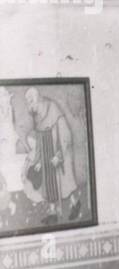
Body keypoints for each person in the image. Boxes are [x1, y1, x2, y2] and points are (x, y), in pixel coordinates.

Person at [23, 85, 82, 223]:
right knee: (48, 184)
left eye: (31, 101)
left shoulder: (53, 109)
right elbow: (39, 141)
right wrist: (38, 161)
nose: (30, 105)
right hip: (45, 156)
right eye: (28, 102)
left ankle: (75, 204)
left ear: (36, 100)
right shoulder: (36, 116)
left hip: (59, 153)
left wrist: (59, 156)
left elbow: (65, 135)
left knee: (65, 183)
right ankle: (53, 212)